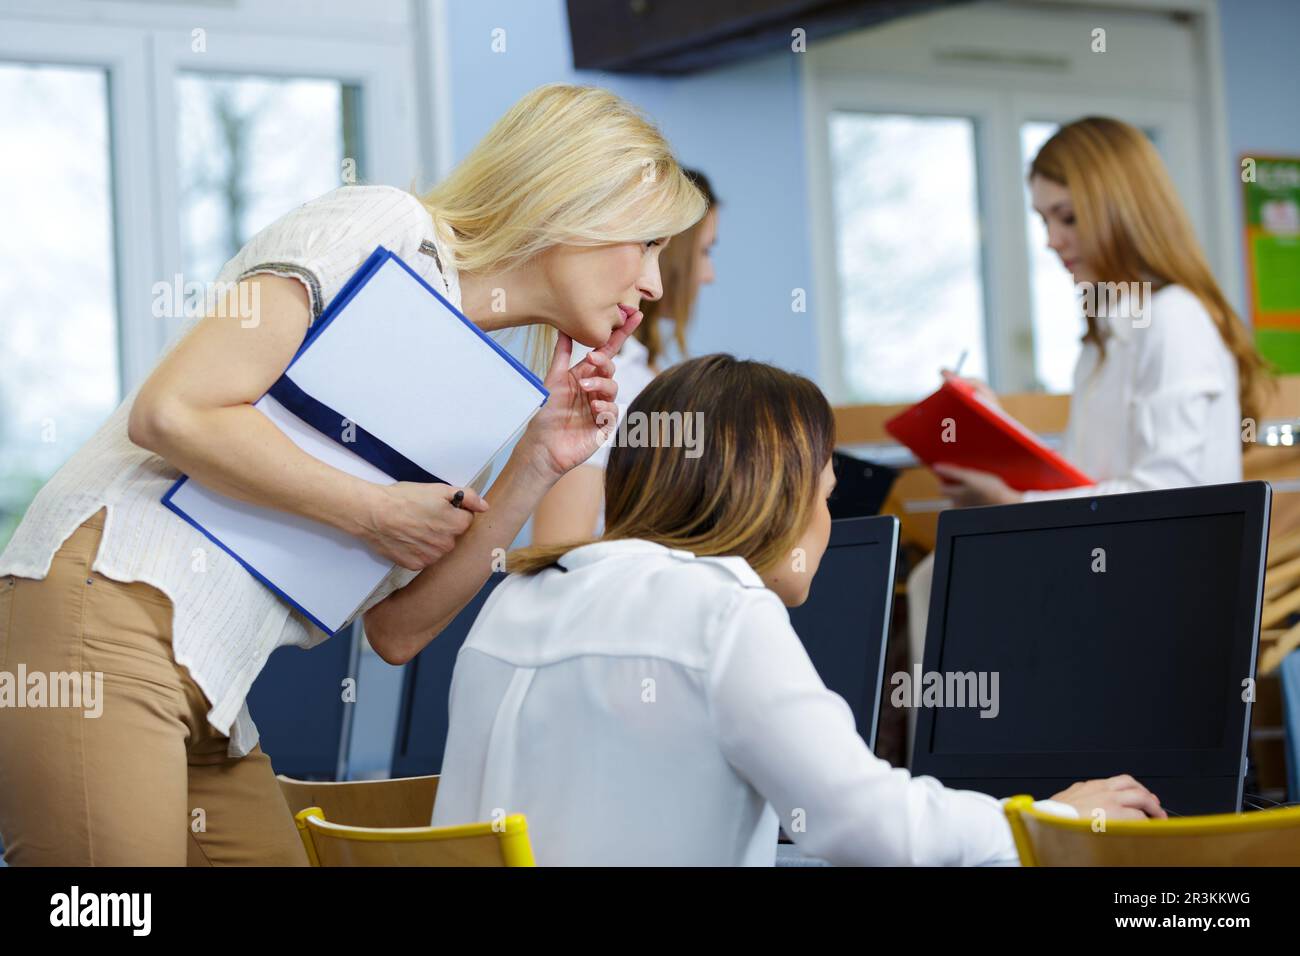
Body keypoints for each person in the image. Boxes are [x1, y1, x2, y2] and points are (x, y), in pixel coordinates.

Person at [0, 83, 707, 865]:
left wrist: (537, 462)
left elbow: (398, 632)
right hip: (110, 604)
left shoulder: (477, 387)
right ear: (578, 201)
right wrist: (373, 510)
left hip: (214, 687)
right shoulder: (387, 229)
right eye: (645, 244)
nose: (654, 284)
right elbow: (174, 413)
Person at [422, 354, 1165, 866]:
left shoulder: (516, 596)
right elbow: (875, 828)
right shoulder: (718, 607)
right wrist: (1058, 817)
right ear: (773, 492)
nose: (829, 522)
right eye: (828, 493)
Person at [905, 117, 1270, 746]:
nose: (1051, 240)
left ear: (1121, 213)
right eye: (1043, 219)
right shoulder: (1103, 342)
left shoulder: (1174, 322)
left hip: (1165, 582)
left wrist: (1016, 505)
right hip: (1115, 564)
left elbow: (1172, 494)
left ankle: (963, 780)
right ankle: (961, 783)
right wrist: (997, 429)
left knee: (948, 577)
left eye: (1067, 218)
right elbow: (1089, 476)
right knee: (937, 572)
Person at [531, 169, 719, 543]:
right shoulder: (597, 372)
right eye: (704, 252)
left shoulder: (647, 370)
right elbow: (558, 548)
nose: (708, 274)